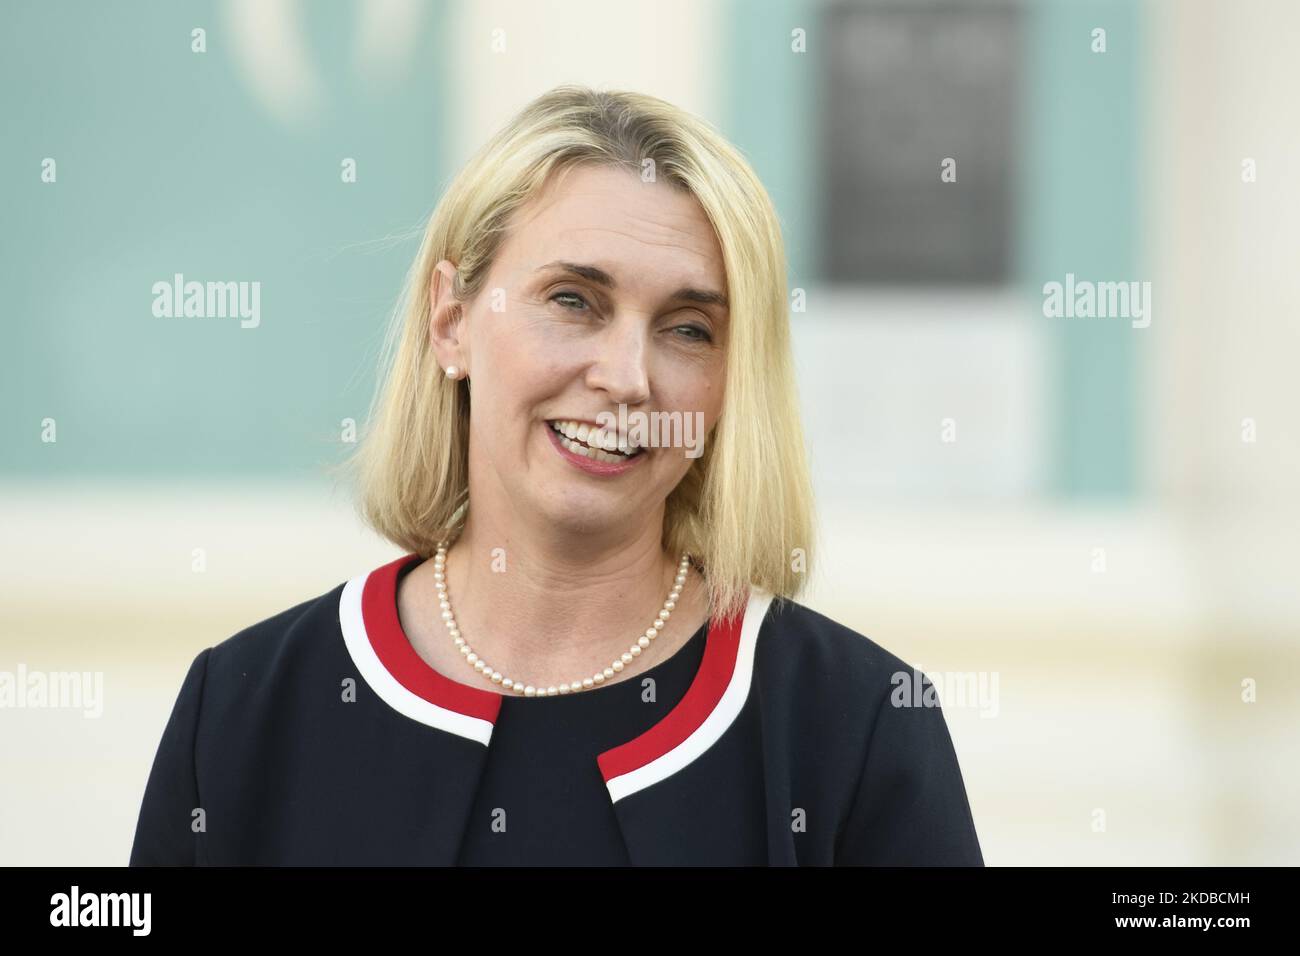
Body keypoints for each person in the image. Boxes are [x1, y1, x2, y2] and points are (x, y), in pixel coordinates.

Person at [129, 85, 984, 866]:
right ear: (453, 319)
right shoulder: (244, 712)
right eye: (574, 300)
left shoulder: (856, 728)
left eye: (688, 329)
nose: (627, 377)